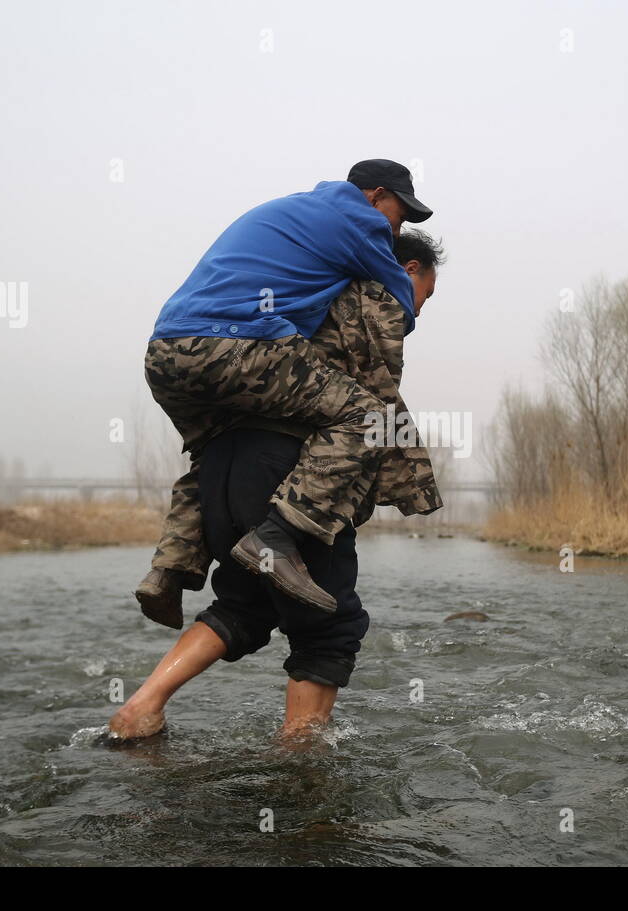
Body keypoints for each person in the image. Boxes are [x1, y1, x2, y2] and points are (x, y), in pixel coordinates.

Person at [109, 232, 444, 742]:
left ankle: (140, 709)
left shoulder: (290, 299)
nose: (419, 308)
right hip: (287, 474)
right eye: (425, 292)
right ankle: (300, 766)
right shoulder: (368, 297)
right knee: (329, 625)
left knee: (246, 604)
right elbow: (377, 403)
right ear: (408, 268)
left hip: (222, 472)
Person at [135, 159, 433, 624]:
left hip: (166, 353)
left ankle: (168, 570)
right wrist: (412, 309)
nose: (396, 228)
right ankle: (276, 537)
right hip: (229, 342)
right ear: (375, 197)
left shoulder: (298, 209)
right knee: (367, 417)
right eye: (400, 213)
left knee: (212, 450)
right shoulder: (359, 219)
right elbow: (393, 296)